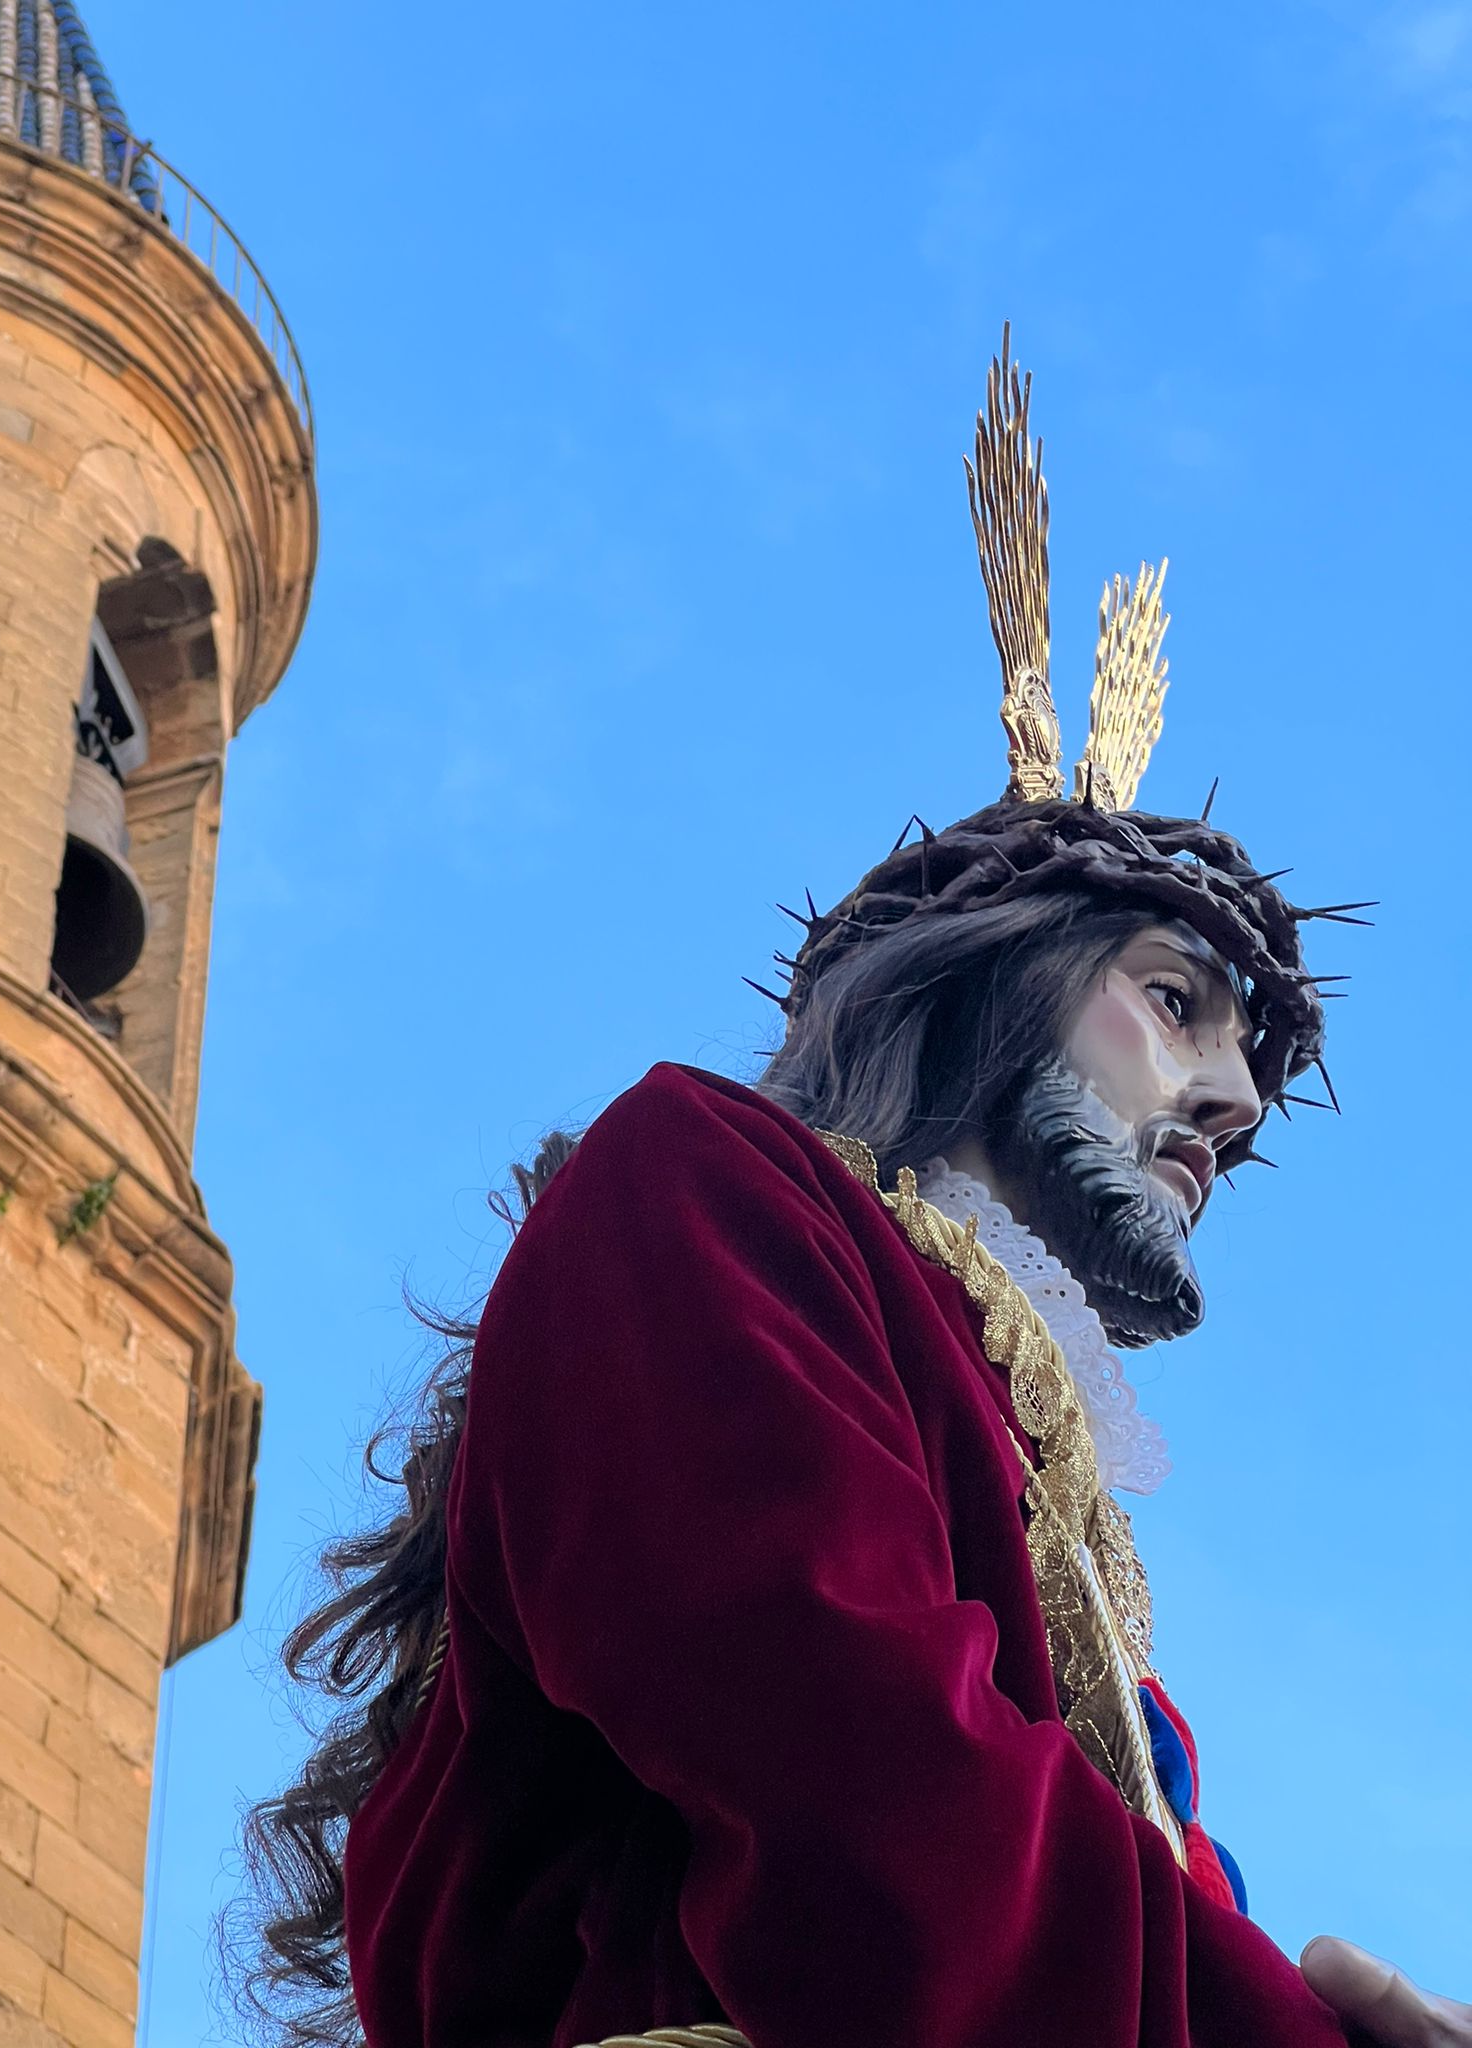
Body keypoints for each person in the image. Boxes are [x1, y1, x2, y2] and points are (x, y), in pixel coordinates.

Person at [241, 336, 1466, 2048]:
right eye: (1175, 1002)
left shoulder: (1122, 1640)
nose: (1232, 1095)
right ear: (992, 984)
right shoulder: (697, 1204)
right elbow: (885, 1814)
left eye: (1246, 1060)